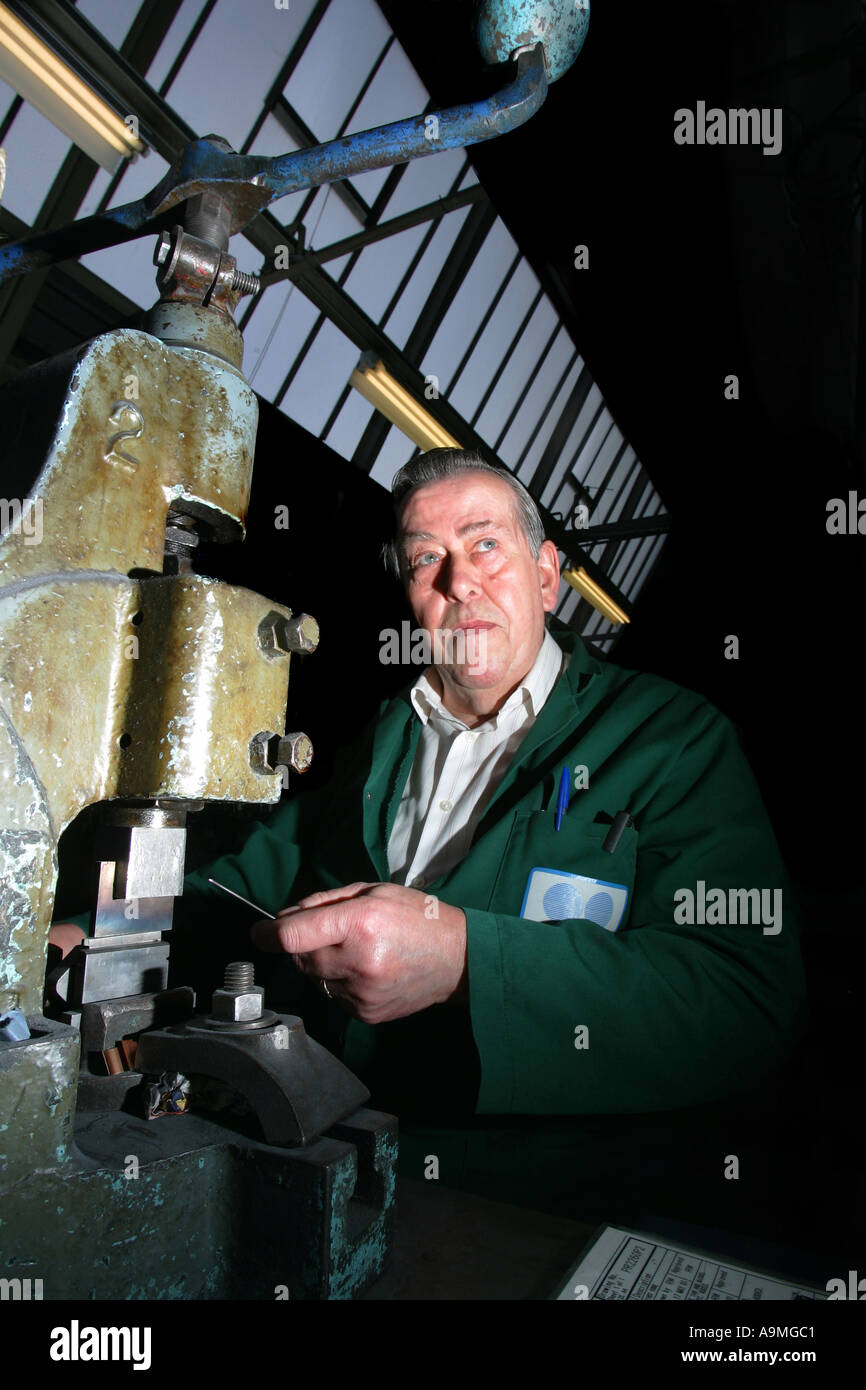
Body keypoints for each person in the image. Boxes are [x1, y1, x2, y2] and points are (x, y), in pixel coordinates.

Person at [53, 448, 806, 1225]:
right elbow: (250, 874)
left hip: (538, 1209)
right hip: (341, 1167)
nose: (458, 581)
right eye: (426, 559)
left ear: (547, 575)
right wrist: (105, 929)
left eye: (485, 544)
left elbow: (747, 1001)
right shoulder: (385, 738)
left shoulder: (670, 740)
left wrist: (465, 961)